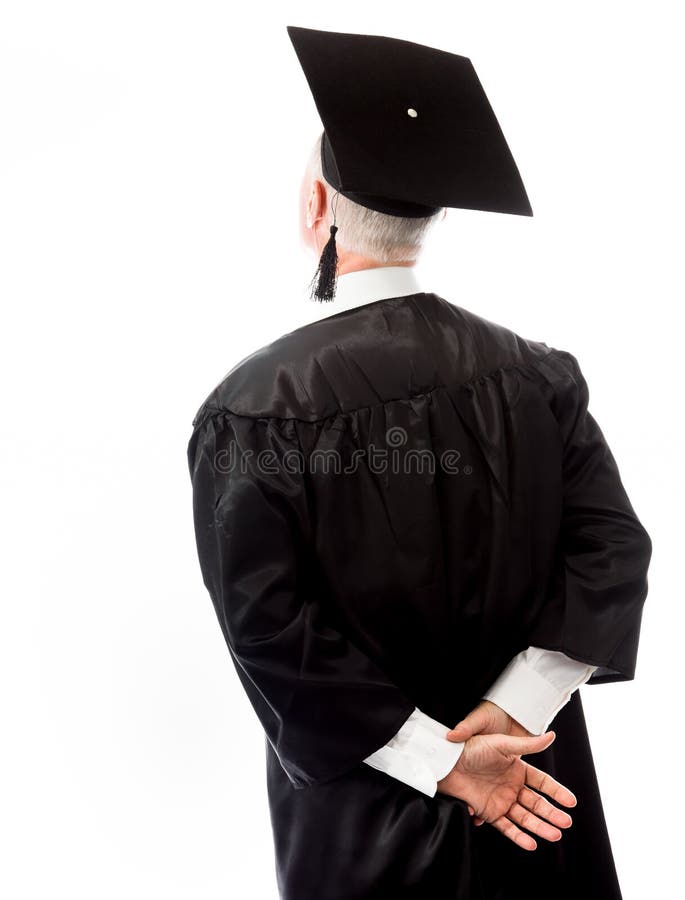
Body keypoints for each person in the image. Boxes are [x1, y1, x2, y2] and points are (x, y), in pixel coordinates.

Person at [186, 25, 652, 900]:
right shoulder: (538, 376)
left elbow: (267, 629)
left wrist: (439, 760)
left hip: (368, 820)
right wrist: (514, 712)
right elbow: (611, 553)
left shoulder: (253, 410)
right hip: (533, 792)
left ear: (315, 206)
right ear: (428, 218)